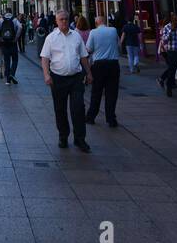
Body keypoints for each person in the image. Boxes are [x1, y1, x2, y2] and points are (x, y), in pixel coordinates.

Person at [40, 9, 92, 152]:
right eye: (61, 19)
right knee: (60, 109)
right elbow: (45, 58)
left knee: (78, 108)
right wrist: (46, 75)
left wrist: (89, 73)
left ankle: (80, 139)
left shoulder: (76, 36)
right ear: (56, 21)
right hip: (58, 78)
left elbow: (83, 56)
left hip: (76, 78)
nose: (64, 21)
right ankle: (63, 136)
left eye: (65, 19)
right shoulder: (51, 38)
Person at [85, 15, 121, 127]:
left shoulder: (93, 33)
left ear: (96, 23)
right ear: (105, 22)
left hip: (99, 65)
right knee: (112, 93)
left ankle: (91, 116)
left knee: (96, 92)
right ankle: (111, 118)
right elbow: (119, 45)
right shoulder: (113, 30)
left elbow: (88, 49)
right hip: (113, 64)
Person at [0, 11, 20, 84]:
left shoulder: (1, 20)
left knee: (7, 60)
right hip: (13, 42)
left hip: (4, 42)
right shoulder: (14, 20)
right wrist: (16, 37)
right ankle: (12, 74)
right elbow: (20, 27)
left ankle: (8, 80)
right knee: (15, 59)